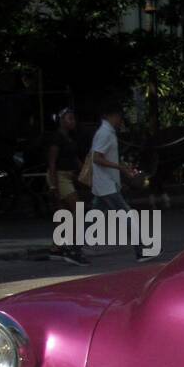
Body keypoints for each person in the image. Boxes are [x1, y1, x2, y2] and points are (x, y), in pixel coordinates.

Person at [89, 101, 144, 260]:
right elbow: (97, 158)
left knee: (92, 218)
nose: (120, 120)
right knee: (127, 215)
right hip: (106, 184)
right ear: (111, 116)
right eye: (119, 116)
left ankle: (72, 247)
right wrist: (119, 168)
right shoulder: (105, 133)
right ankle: (141, 249)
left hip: (106, 183)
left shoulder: (107, 132)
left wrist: (122, 168)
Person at [46, 107, 88, 265]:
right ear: (62, 121)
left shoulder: (69, 138)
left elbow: (74, 158)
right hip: (59, 176)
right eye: (69, 118)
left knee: (63, 214)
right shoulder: (56, 138)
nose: (73, 122)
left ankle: (56, 247)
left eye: (73, 119)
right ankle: (73, 247)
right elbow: (52, 162)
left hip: (68, 176)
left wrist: (84, 171)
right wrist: (53, 186)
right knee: (78, 209)